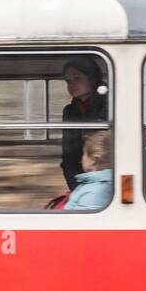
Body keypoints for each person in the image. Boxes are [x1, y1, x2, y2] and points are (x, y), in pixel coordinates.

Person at [60, 57, 108, 192]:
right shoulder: (70, 111)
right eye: (68, 81)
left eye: (76, 78)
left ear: (92, 79)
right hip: (79, 178)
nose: (71, 85)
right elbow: (68, 155)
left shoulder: (110, 104)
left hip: (107, 177)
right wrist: (76, 188)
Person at [63, 130, 113, 210]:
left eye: (84, 154)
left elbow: (80, 220)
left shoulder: (94, 192)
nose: (82, 158)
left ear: (93, 160)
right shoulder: (105, 184)